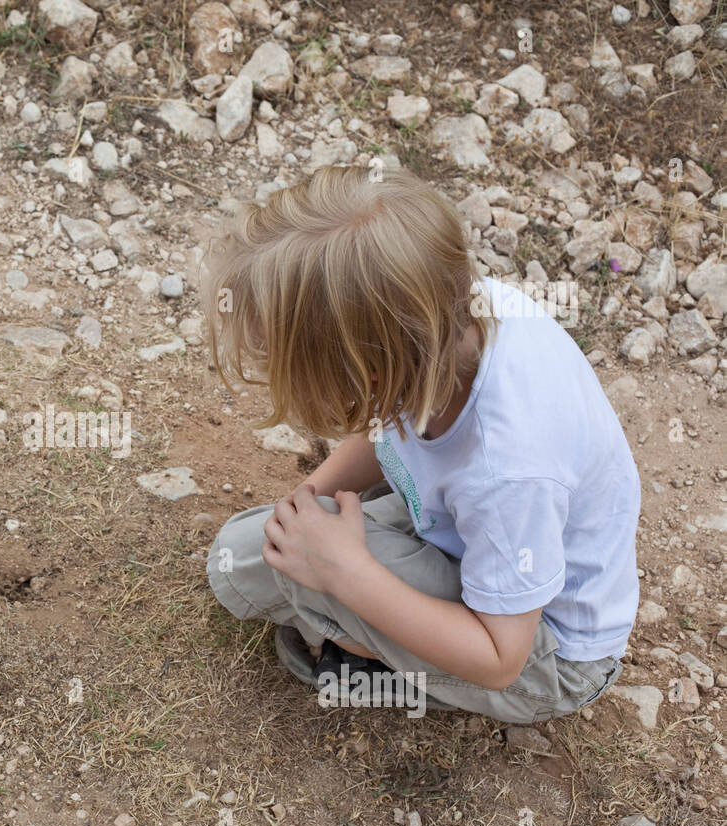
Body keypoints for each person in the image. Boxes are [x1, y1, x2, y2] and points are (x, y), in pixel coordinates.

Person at [203, 165, 639, 723]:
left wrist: (347, 573)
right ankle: (375, 610)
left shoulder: (507, 469)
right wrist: (306, 499)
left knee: (256, 572)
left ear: (372, 373)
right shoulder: (444, 319)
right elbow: (386, 428)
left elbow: (501, 659)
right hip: (468, 536)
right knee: (244, 555)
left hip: (545, 657)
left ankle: (382, 660)